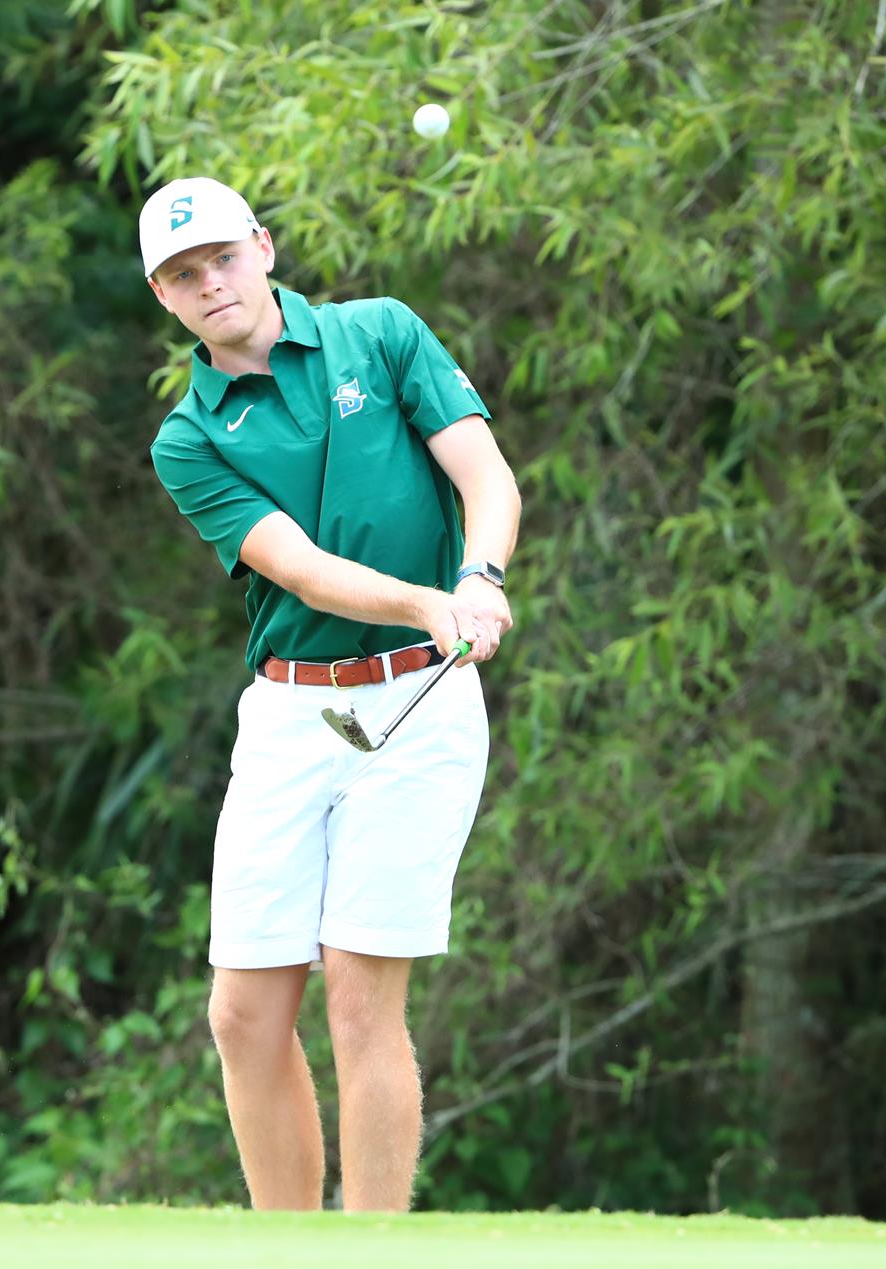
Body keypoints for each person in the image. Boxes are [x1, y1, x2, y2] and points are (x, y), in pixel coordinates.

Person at [140, 177, 519, 1212]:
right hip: (289, 711)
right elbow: (299, 569)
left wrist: (477, 576)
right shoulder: (189, 439)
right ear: (165, 299)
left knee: (358, 997)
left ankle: (371, 1265)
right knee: (242, 1013)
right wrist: (426, 601)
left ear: (261, 249)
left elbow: (483, 475)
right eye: (181, 273)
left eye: (220, 255)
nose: (208, 281)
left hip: (415, 705)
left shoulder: (379, 334)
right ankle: (287, 1266)